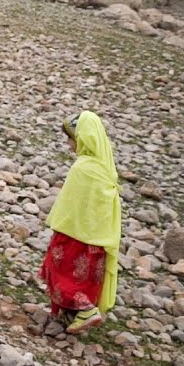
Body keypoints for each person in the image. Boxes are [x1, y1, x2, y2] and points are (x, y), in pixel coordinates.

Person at [39, 111, 121, 334]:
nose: (68, 144)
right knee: (84, 277)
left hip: (75, 233)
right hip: (98, 236)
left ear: (83, 138)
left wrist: (58, 225)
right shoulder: (104, 167)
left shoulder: (83, 168)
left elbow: (71, 205)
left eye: (70, 139)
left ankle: (84, 309)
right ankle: (71, 313)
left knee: (61, 268)